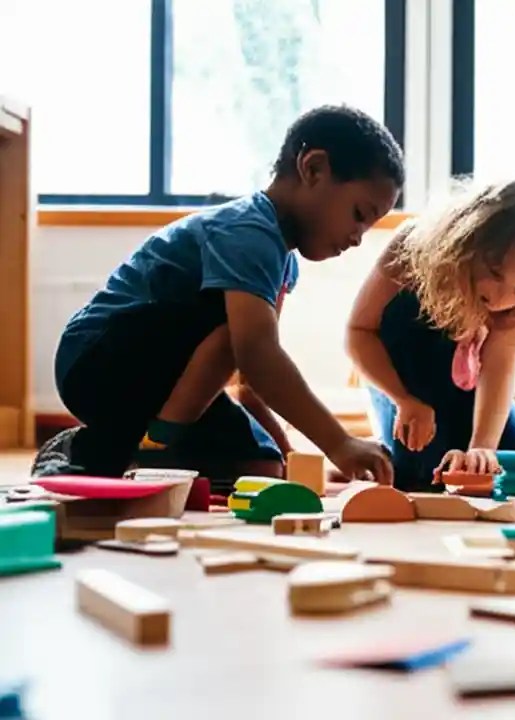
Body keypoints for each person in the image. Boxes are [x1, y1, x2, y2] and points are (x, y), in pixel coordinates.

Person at [34, 105, 400, 487]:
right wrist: (338, 442)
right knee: (234, 331)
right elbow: (255, 354)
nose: (358, 238)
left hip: (167, 381)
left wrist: (290, 462)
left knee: (260, 468)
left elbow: (251, 379)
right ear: (313, 169)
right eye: (359, 214)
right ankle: (134, 449)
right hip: (98, 359)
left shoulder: (282, 261)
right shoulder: (248, 231)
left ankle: (118, 450)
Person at [345, 179, 515, 491]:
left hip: (466, 385)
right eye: (494, 274)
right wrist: (403, 400)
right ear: (468, 241)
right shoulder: (413, 245)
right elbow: (358, 332)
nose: (501, 298)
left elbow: (498, 368)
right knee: (421, 476)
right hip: (397, 380)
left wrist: (482, 448)